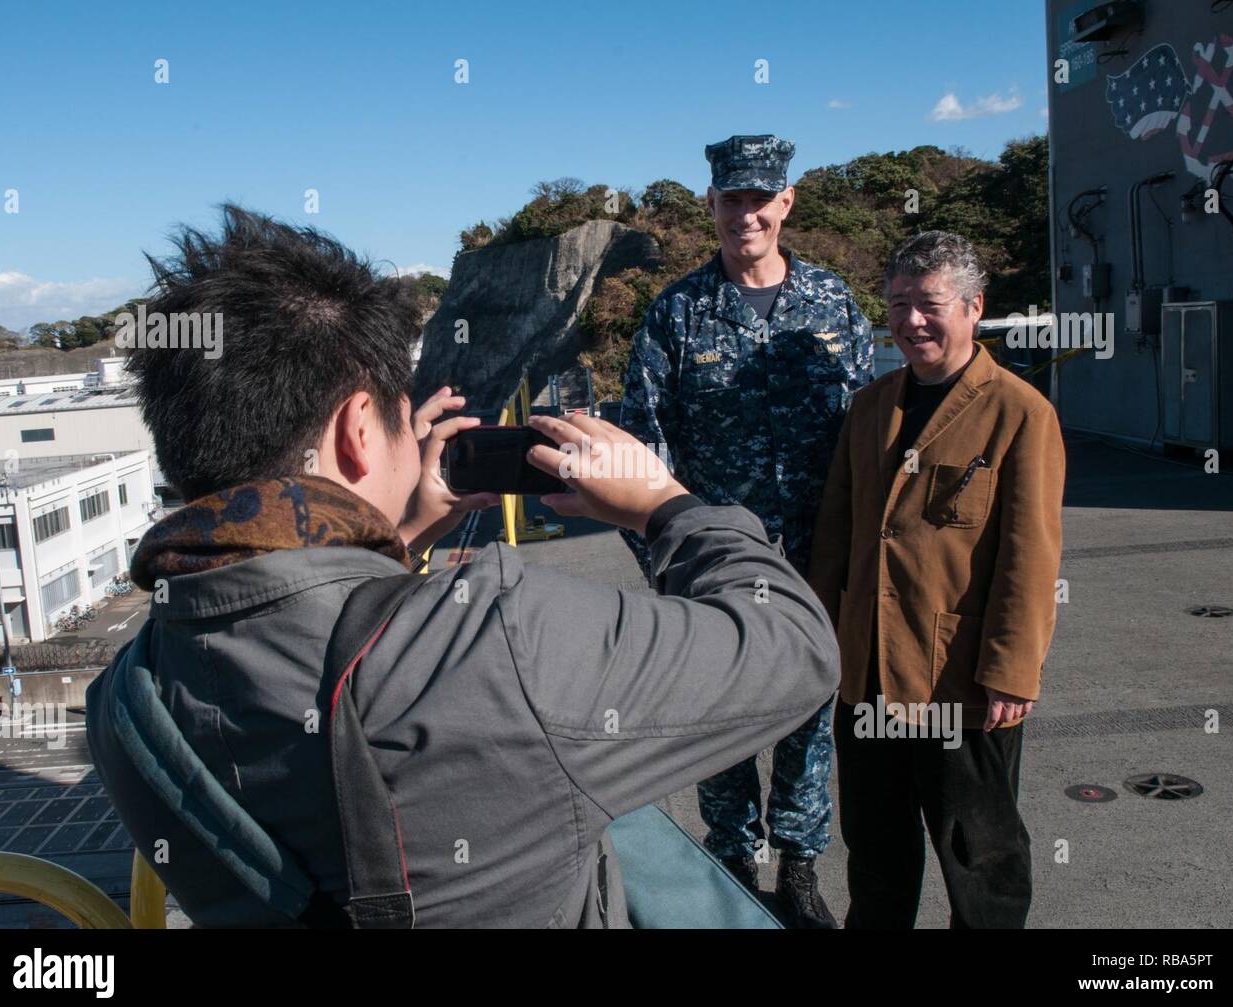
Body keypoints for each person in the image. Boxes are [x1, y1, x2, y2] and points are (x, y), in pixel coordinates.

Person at [84, 204, 840, 928]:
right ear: (356, 431)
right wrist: (664, 505)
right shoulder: (493, 638)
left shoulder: (125, 703)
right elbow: (797, 647)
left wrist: (397, 532)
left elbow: (299, 630)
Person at [619, 135, 872, 927]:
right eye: (732, 200)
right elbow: (645, 446)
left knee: (806, 708)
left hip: (815, 557)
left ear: (787, 203)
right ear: (712, 205)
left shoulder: (834, 303)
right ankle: (727, 864)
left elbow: (867, 431)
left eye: (762, 199)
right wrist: (665, 555)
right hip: (714, 562)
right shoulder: (676, 314)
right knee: (720, 709)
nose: (747, 215)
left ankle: (799, 869)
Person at [808, 230, 1066, 929]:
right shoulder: (869, 408)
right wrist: (818, 647)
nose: (911, 320)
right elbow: (834, 539)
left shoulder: (1018, 412)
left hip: (960, 677)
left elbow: (1031, 554)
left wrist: (1013, 670)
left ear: (974, 307)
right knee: (877, 857)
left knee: (980, 859)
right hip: (867, 677)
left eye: (930, 303)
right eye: (897, 304)